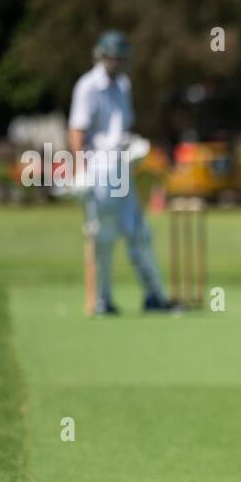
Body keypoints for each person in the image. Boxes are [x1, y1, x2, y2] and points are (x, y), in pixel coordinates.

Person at [68, 31, 175, 315]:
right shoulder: (87, 87)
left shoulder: (123, 85)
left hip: (121, 166)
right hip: (99, 170)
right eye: (111, 57)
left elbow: (121, 128)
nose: (116, 62)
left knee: (139, 233)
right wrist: (80, 170)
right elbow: (77, 131)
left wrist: (133, 144)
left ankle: (155, 296)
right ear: (100, 56)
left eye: (120, 58)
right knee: (102, 238)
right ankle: (102, 302)